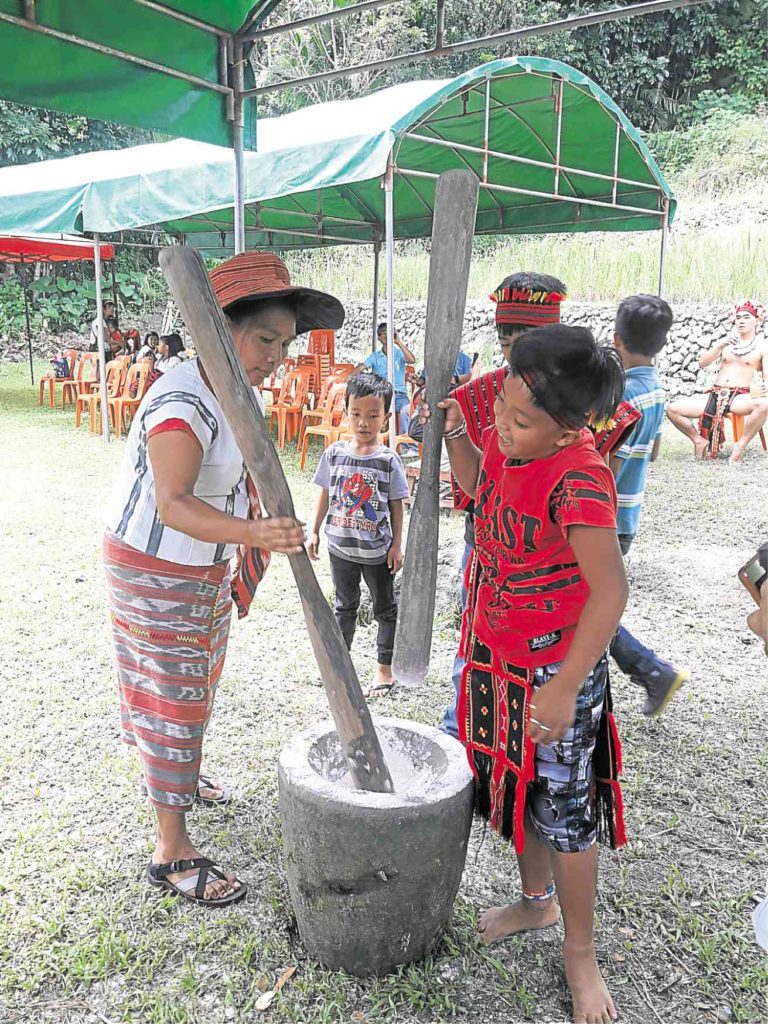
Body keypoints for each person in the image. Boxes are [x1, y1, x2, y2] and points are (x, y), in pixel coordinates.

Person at [103, 251, 344, 907]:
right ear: (221, 327)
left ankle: (181, 775)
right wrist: (255, 535)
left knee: (196, 679)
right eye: (265, 337)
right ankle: (171, 845)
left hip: (200, 562)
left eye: (283, 344)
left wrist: (254, 531)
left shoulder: (229, 388)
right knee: (171, 695)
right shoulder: (183, 397)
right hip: (156, 567)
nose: (274, 356)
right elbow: (174, 501)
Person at [425, 325, 627, 1024]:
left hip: (552, 664)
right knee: (516, 783)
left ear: (571, 427)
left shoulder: (581, 479)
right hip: (490, 651)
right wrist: (459, 434)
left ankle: (580, 952)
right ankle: (536, 904)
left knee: (566, 811)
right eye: (501, 410)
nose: (502, 428)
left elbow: (610, 593)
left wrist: (567, 684)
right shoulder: (503, 441)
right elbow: (483, 497)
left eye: (520, 421)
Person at [439, 271, 568, 738]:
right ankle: (462, 730)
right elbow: (478, 486)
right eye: (504, 336)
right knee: (475, 645)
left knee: (542, 663)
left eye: (526, 337)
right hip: (489, 555)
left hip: (550, 563)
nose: (513, 349)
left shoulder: (586, 399)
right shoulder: (485, 395)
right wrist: (454, 428)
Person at [609, 295, 689, 715]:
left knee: (587, 604)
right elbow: (653, 452)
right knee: (587, 602)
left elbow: (606, 466)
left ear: (617, 339)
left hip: (605, 517)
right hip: (628, 513)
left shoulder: (624, 399)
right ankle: (649, 672)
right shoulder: (656, 391)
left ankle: (652, 670)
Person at [307, 374, 409, 699]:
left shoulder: (388, 461)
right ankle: (339, 667)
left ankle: (384, 669)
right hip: (340, 548)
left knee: (385, 609)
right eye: (356, 414)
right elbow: (325, 494)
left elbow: (397, 507)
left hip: (377, 553)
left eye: (373, 415)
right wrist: (313, 530)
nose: (363, 422)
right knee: (344, 606)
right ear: (346, 411)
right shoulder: (334, 454)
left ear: (386, 417)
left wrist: (396, 544)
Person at [666, 300, 767, 459]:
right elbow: (702, 363)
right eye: (738, 317)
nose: (741, 321)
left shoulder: (762, 346)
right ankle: (699, 441)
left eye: (746, 317)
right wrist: (720, 344)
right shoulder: (727, 342)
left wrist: (761, 388)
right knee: (672, 409)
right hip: (716, 393)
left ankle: (740, 446)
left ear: (757, 320)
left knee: (764, 404)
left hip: (740, 396)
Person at [357, 323, 416, 435]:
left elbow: (412, 360)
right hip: (382, 394)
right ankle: (378, 439)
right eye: (384, 333)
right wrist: (352, 374)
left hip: (400, 396)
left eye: (390, 332)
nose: (387, 335)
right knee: (375, 411)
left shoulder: (399, 353)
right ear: (379, 338)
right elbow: (362, 367)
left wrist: (398, 342)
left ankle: (406, 445)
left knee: (407, 411)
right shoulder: (375, 356)